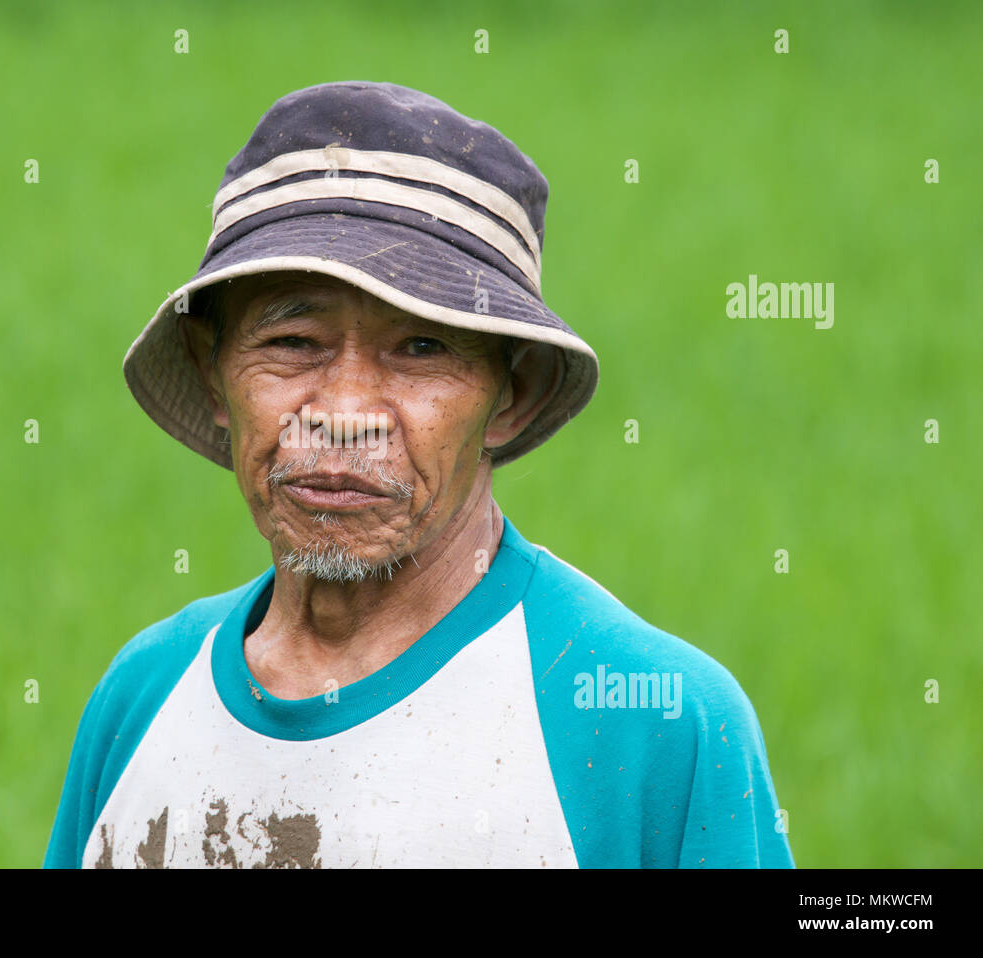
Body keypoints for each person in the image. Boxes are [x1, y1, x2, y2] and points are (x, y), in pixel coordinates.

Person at [44, 81, 793, 868]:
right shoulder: (144, 697)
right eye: (294, 340)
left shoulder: (652, 725)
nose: (344, 412)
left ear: (514, 393)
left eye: (422, 349)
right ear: (212, 374)